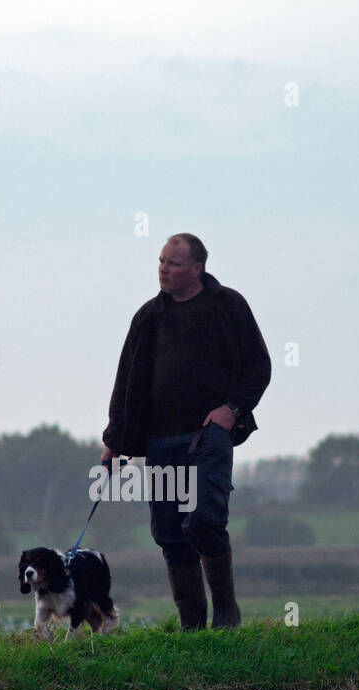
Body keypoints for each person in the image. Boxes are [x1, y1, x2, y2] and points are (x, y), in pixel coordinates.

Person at [100, 233, 271, 630]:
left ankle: (226, 610)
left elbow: (258, 367)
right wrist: (114, 439)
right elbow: (126, 381)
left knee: (205, 520)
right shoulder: (148, 317)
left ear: (197, 269)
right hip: (159, 439)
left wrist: (232, 409)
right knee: (170, 533)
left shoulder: (228, 305)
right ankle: (192, 627)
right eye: (161, 261)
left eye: (173, 264)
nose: (163, 269)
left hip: (209, 432)